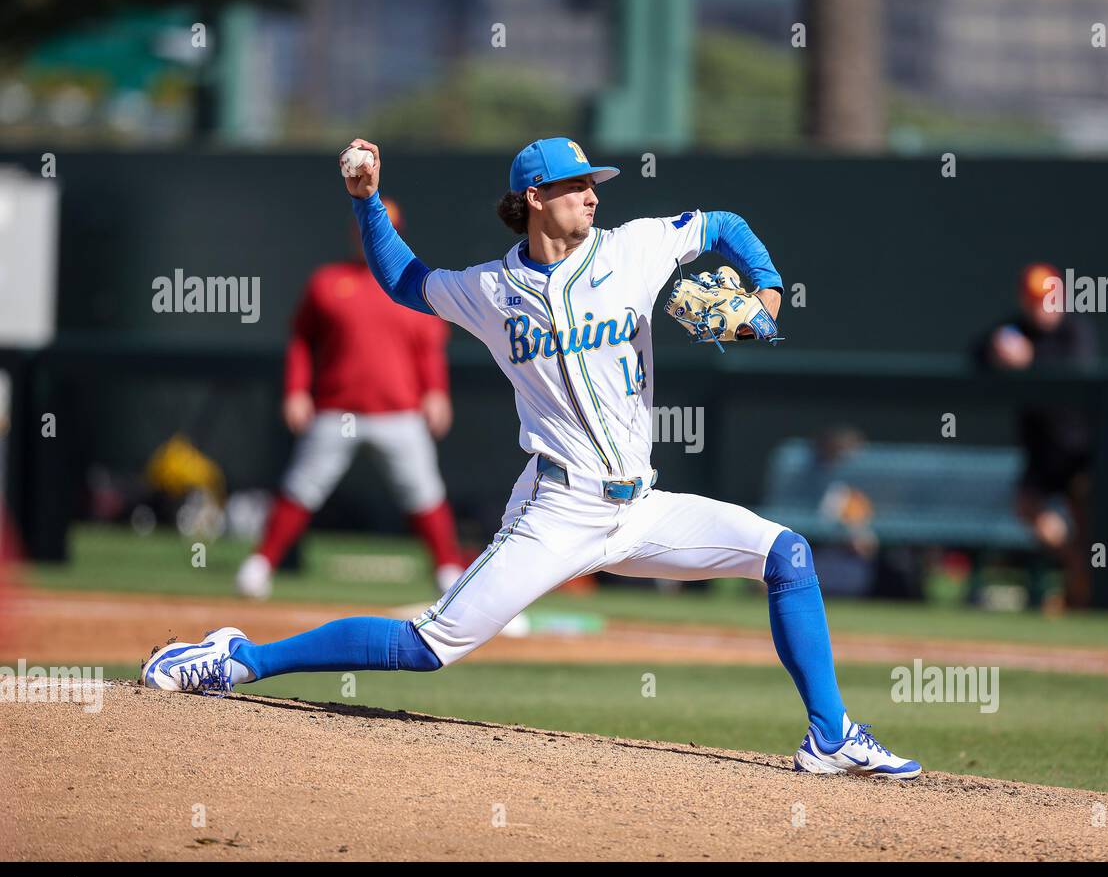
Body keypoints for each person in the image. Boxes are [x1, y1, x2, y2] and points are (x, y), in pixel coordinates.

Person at [143, 137, 921, 779]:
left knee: (787, 555)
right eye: (577, 185)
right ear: (536, 198)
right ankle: (237, 658)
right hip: (558, 508)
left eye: (593, 184)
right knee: (427, 646)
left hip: (641, 507)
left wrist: (769, 293)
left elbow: (723, 224)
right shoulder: (491, 290)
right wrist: (367, 202)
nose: (592, 195)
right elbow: (405, 281)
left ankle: (830, 736)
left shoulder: (635, 248)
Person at [234, 197, 466, 600]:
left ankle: (448, 572)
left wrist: (436, 393)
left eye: (385, 231)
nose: (372, 238)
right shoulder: (327, 282)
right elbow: (301, 341)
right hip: (337, 412)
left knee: (425, 494)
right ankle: (260, 566)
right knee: (301, 488)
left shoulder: (413, 285)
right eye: (368, 230)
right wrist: (296, 391)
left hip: (399, 414)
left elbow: (430, 349)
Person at [977, 263, 1098, 609]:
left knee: (1090, 528)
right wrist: (995, 351)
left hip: (1079, 448)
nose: (1041, 308)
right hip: (1040, 449)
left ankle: (1088, 595)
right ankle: (1078, 574)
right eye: (1034, 301)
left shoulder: (1074, 330)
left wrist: (1030, 359)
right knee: (1027, 507)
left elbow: (1075, 369)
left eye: (1047, 300)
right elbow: (977, 352)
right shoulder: (1017, 329)